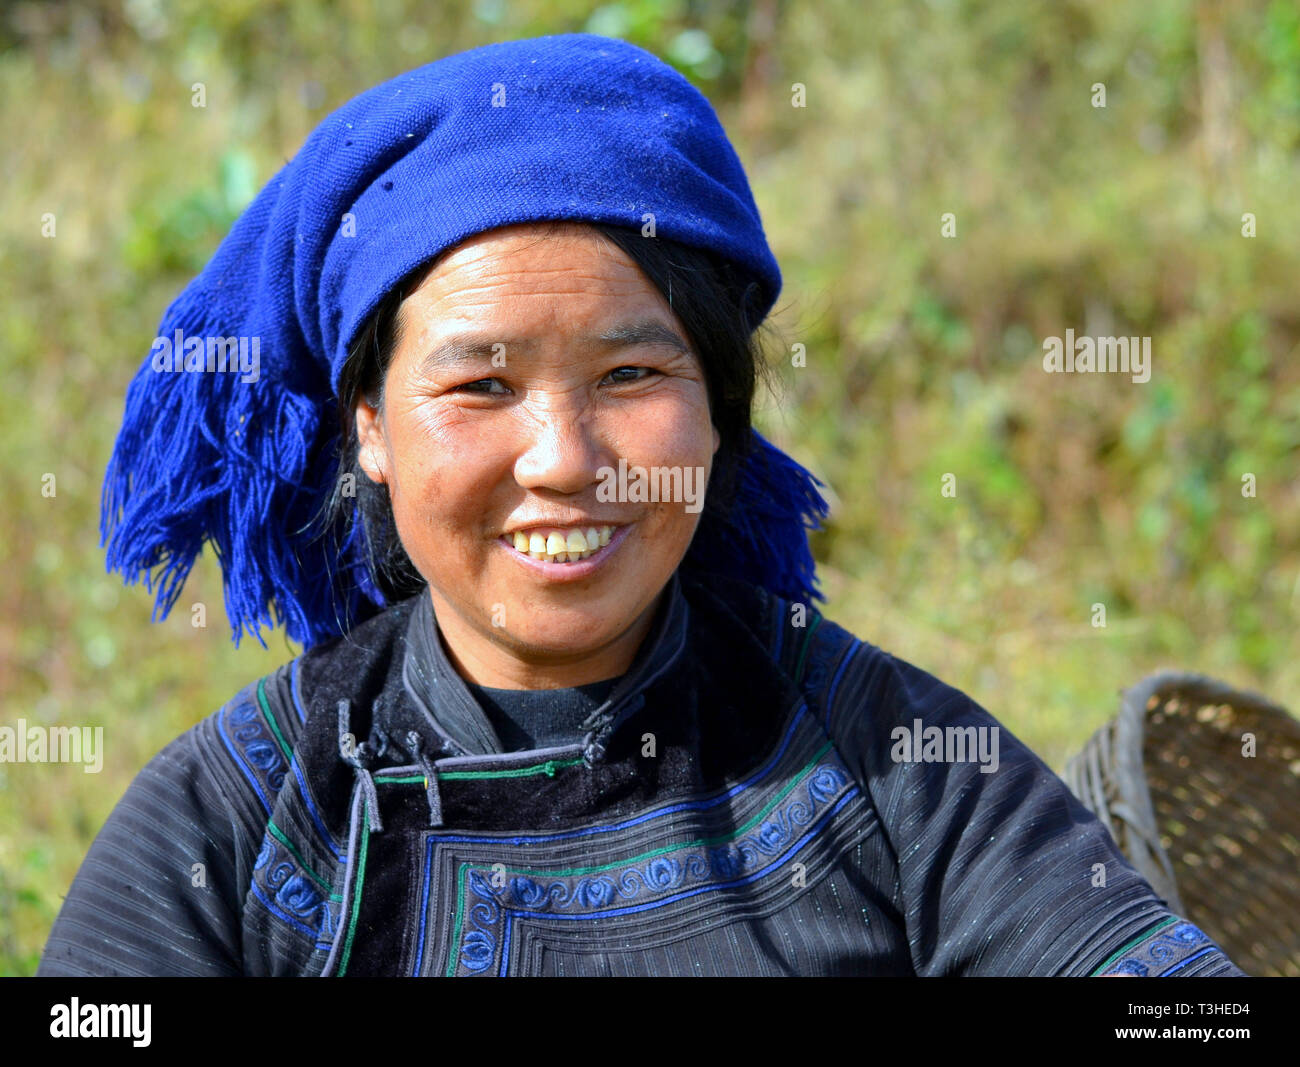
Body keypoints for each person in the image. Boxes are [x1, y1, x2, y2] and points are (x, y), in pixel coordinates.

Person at [39, 34, 1243, 977]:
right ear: (370, 427)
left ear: (718, 413)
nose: (563, 459)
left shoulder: (889, 756)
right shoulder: (237, 818)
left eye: (629, 375)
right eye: (482, 384)